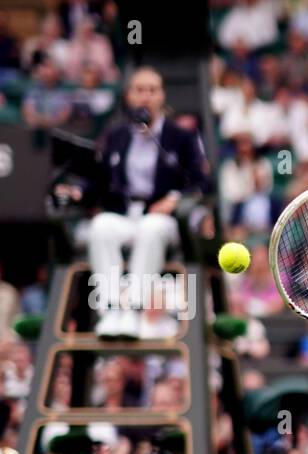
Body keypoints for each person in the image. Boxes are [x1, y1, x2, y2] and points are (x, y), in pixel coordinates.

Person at [67, 67, 211, 339]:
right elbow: (100, 180)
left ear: (162, 96)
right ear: (129, 96)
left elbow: (203, 182)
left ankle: (134, 309)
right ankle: (111, 310)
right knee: (100, 227)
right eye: (139, 90)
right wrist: (78, 192)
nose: (146, 97)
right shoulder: (117, 135)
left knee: (151, 227)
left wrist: (174, 199)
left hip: (164, 219)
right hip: (124, 214)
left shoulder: (181, 137)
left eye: (152, 90)